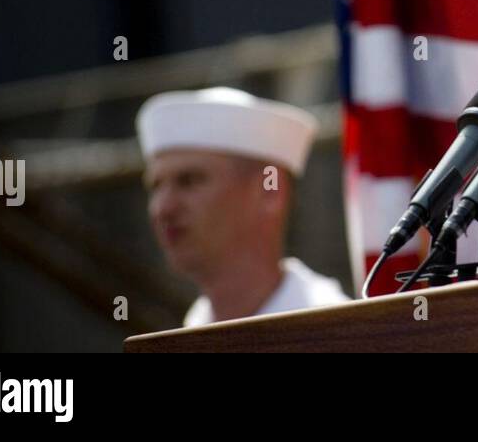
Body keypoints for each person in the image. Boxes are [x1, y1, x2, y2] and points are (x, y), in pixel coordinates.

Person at [138, 87, 349, 326]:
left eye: (189, 181)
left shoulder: (333, 331)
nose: (163, 208)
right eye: (155, 186)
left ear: (270, 192)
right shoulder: (194, 328)